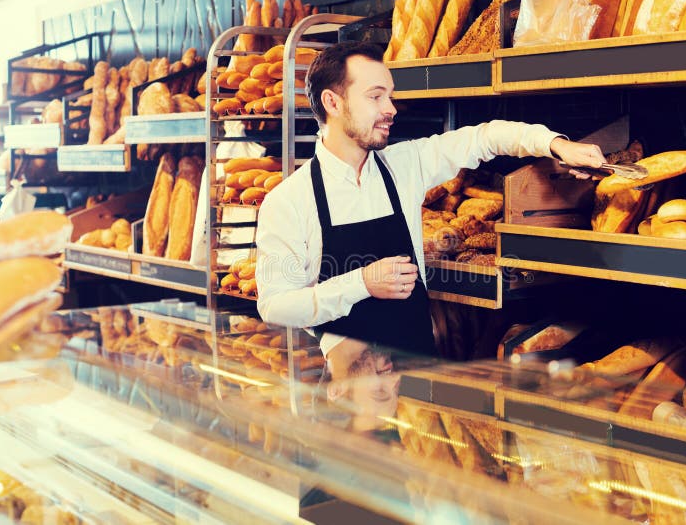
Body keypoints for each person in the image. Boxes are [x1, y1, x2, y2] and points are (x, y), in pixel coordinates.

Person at [255, 41, 606, 357]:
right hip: (351, 396)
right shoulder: (289, 201)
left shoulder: (404, 166)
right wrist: (360, 283)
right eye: (375, 96)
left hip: (419, 378)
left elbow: (485, 138)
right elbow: (275, 305)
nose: (391, 108)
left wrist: (556, 145)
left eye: (390, 96)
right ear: (333, 102)